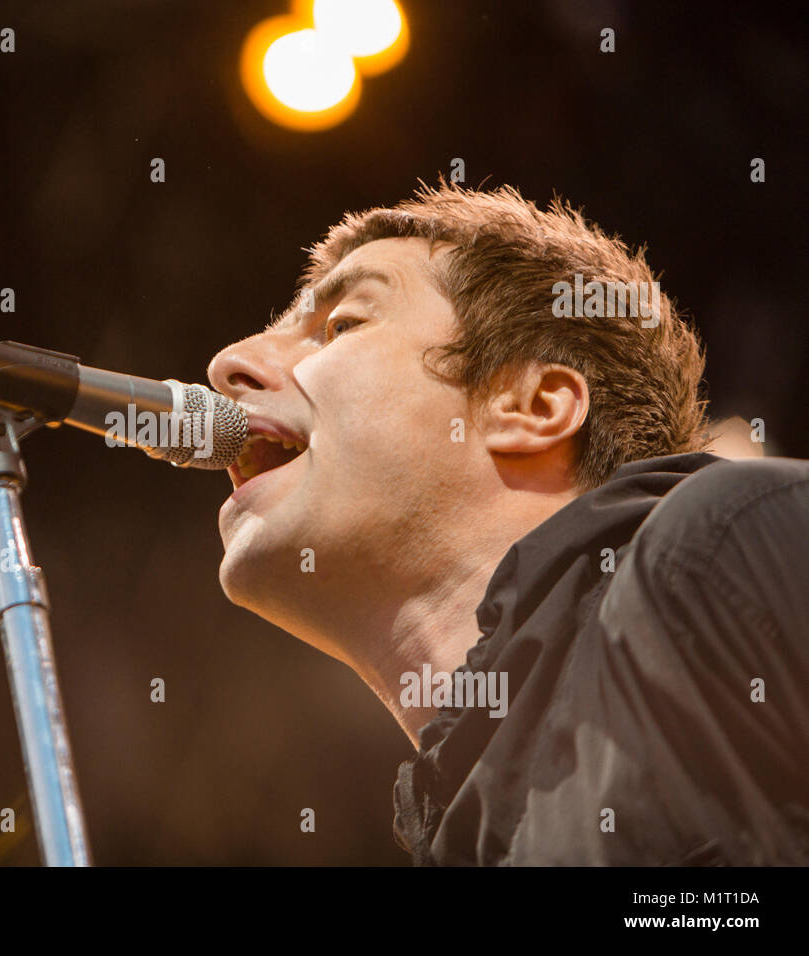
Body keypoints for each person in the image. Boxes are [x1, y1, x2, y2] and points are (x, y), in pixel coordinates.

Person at [205, 183, 809, 865]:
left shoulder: (729, 545)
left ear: (534, 405)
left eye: (343, 323)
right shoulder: (485, 833)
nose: (229, 362)